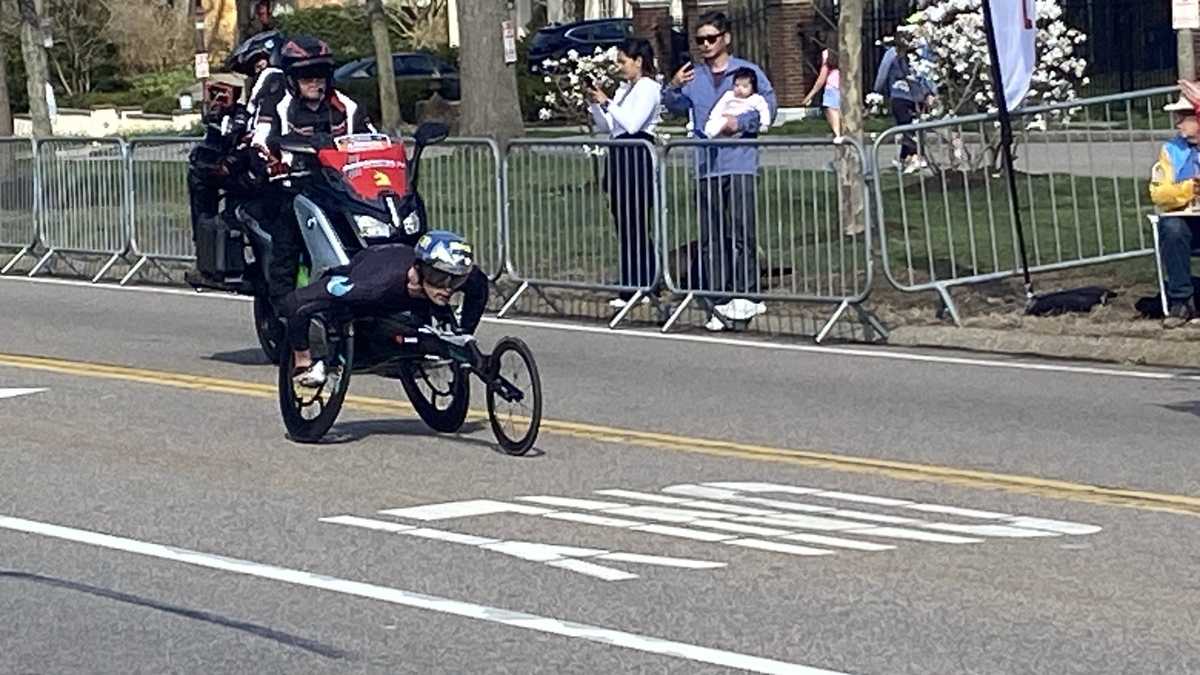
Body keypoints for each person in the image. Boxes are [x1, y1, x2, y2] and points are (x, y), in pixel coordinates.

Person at [662, 11, 777, 332]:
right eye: (700, 40)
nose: (706, 45)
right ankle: (718, 299)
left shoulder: (748, 72)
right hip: (706, 167)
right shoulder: (693, 76)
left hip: (739, 163)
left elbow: (770, 106)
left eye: (711, 38)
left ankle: (747, 294)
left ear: (725, 38)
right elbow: (671, 106)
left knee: (743, 232)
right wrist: (672, 87)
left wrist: (740, 124)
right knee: (711, 238)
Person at [248, 35, 377, 311]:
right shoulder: (277, 104)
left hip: (342, 188)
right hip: (293, 188)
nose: (315, 82)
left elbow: (372, 140)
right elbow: (259, 141)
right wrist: (275, 164)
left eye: (320, 75)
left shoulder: (347, 106)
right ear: (292, 78)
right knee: (288, 235)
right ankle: (286, 311)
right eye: (306, 76)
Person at [281, 231, 489, 386]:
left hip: (405, 286)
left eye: (456, 280)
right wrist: (302, 357)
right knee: (339, 308)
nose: (447, 287)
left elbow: (478, 293)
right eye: (438, 278)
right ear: (418, 270)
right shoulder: (374, 286)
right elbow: (295, 303)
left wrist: (464, 333)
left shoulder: (469, 279)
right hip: (370, 281)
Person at [184, 30, 284, 288]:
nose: (256, 71)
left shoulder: (271, 82)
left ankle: (208, 260)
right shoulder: (306, 85)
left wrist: (229, 161)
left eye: (258, 64)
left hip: (269, 175)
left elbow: (256, 136)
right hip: (288, 171)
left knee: (200, 173)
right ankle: (222, 242)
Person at [587, 37, 662, 309]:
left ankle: (645, 282)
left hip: (637, 153)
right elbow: (609, 126)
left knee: (636, 221)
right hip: (619, 153)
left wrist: (608, 102)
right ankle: (631, 282)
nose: (619, 67)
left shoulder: (648, 88)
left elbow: (632, 124)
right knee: (623, 222)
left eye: (623, 61)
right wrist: (596, 103)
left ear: (638, 61)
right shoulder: (624, 89)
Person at [1148, 94, 1200, 327]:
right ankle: (1182, 300)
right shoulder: (1171, 150)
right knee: (1172, 228)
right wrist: (1192, 186)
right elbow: (1159, 193)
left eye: (1184, 117)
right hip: (1187, 220)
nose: (1178, 123)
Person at [873, 34, 936, 174]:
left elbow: (882, 73)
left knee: (907, 127)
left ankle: (912, 157)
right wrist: (930, 92)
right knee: (910, 127)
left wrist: (877, 90)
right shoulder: (920, 51)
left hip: (902, 95)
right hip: (914, 95)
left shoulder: (893, 53)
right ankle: (906, 157)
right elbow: (927, 73)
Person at [703, 67, 771, 139]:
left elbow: (764, 110)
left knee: (725, 122)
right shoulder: (729, 95)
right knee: (714, 123)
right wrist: (713, 117)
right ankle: (707, 134)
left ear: (753, 88)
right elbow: (719, 106)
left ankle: (709, 134)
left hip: (739, 123)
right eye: (737, 85)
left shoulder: (756, 99)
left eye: (745, 86)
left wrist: (764, 124)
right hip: (723, 117)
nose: (739, 89)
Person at [801, 47, 841, 139]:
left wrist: (809, 96)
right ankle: (839, 134)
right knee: (838, 112)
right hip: (841, 88)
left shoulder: (827, 54)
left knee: (832, 111)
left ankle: (837, 134)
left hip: (832, 88)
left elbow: (821, 80)